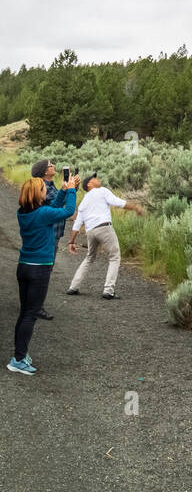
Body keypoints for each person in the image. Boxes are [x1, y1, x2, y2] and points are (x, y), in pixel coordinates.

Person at [7, 171, 79, 375]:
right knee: (31, 314)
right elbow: (68, 211)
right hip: (40, 269)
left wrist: (64, 191)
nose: (46, 189)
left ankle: (20, 354)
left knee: (25, 313)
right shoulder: (42, 214)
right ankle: (18, 359)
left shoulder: (25, 212)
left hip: (24, 267)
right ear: (37, 193)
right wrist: (72, 189)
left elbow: (53, 208)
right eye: (44, 188)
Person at [67, 173, 144, 299]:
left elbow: (77, 223)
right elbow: (118, 202)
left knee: (89, 258)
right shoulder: (101, 191)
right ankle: (108, 290)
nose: (98, 179)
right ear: (89, 184)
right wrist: (135, 207)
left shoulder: (84, 201)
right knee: (114, 257)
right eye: (94, 178)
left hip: (90, 232)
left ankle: (73, 287)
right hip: (104, 228)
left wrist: (71, 241)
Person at [28, 159, 68, 319]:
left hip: (52, 232)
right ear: (45, 171)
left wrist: (71, 187)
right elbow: (58, 204)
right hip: (48, 234)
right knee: (44, 269)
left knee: (41, 268)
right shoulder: (43, 186)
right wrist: (69, 190)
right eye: (51, 165)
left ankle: (32, 302)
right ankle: (36, 306)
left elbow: (60, 200)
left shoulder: (49, 185)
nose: (54, 166)